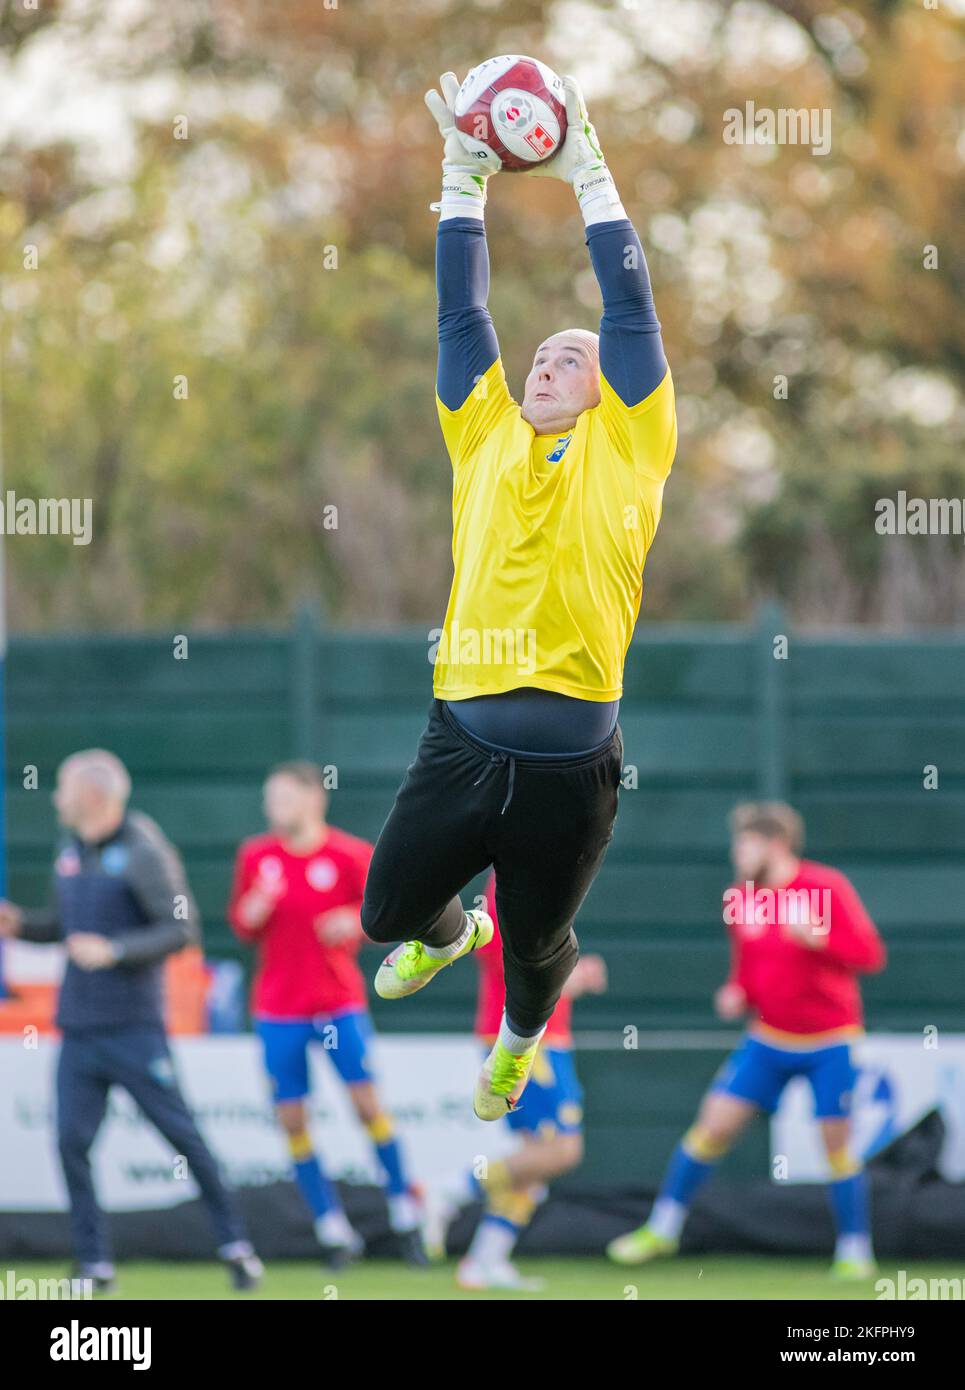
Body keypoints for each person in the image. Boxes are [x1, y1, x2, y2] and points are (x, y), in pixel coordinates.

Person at [361, 71, 676, 1124]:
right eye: (538, 354)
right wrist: (463, 179)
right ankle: (457, 934)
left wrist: (587, 171)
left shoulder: (630, 449)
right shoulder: (482, 432)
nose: (545, 363)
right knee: (387, 914)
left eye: (568, 358)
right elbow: (462, 310)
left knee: (541, 946)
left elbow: (627, 307)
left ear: (605, 389)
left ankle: (520, 1037)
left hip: (571, 756)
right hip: (462, 732)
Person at [0, 749, 262, 1293]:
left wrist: (116, 949)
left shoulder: (144, 851)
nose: (54, 798)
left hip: (134, 1030)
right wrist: (20, 924)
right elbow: (61, 928)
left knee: (183, 1139)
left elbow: (180, 929)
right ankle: (95, 1262)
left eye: (62, 788)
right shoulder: (69, 850)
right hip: (79, 1028)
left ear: (92, 795)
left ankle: (236, 1246)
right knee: (71, 1143)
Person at [608, 801, 887, 1279]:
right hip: (768, 1039)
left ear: (774, 845)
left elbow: (870, 954)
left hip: (830, 1041)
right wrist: (738, 992)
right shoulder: (742, 896)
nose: (737, 852)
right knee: (712, 1126)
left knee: (836, 1145)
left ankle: (856, 1250)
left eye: (745, 843)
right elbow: (749, 970)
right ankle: (663, 1227)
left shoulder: (825, 886)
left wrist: (822, 940)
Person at [228, 762, 424, 1267]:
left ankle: (406, 1216)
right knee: (292, 1117)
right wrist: (254, 907)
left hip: (337, 1004)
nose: (275, 810)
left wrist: (353, 921)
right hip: (279, 1009)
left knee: (367, 1107)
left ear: (315, 800)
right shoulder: (257, 856)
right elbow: (242, 927)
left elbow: (383, 917)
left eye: (285, 799)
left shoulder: (350, 854)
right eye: (270, 800)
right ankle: (332, 1229)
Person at [424, 872, 606, 1290]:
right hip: (521, 1038)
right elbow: (516, 960)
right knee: (561, 1151)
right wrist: (572, 976)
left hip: (545, 1033)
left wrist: (571, 979)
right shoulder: (515, 879)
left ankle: (483, 1261)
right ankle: (451, 1190)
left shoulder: (540, 875)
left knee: (535, 1160)